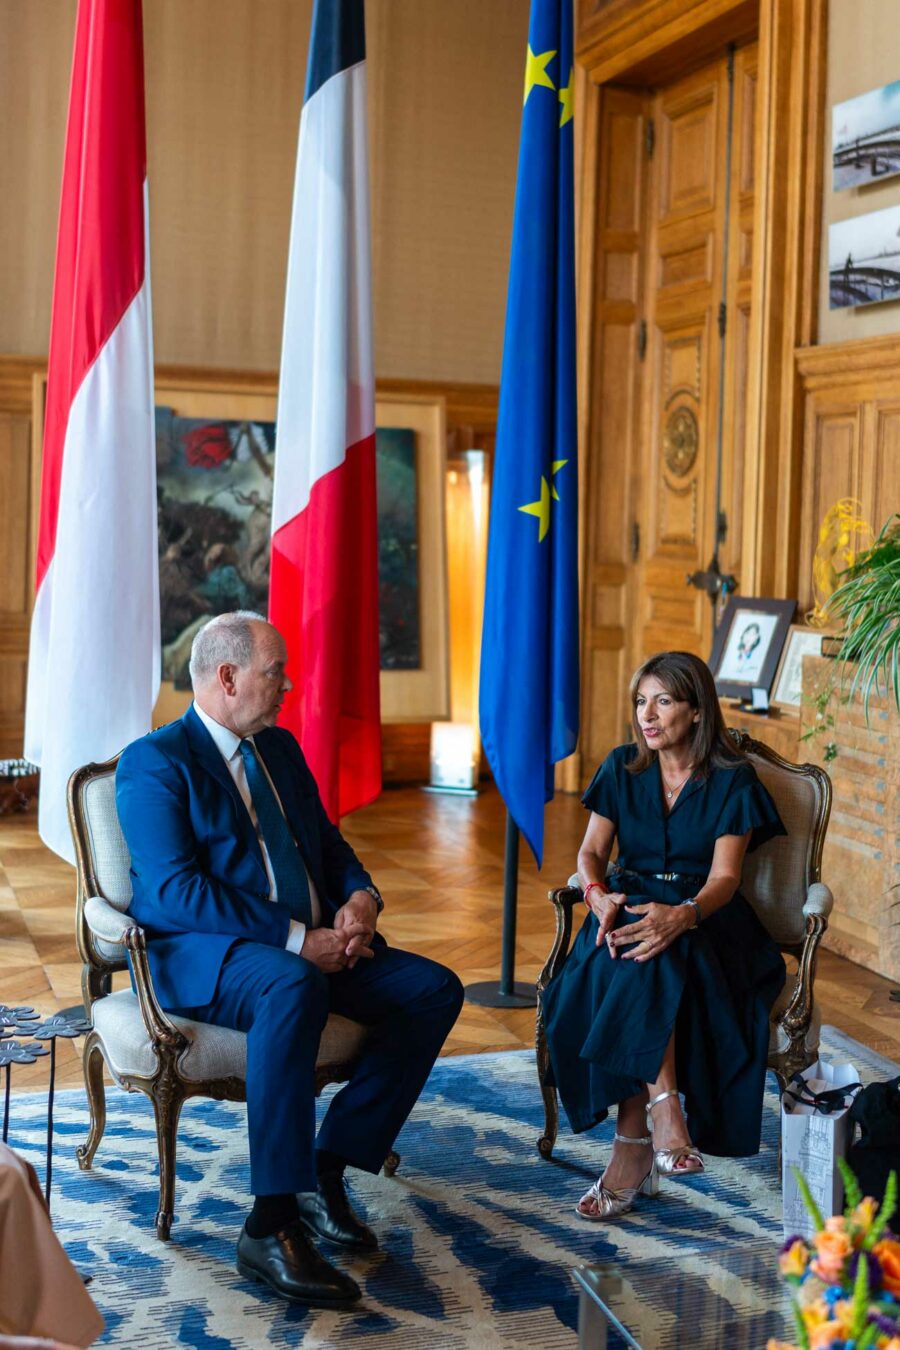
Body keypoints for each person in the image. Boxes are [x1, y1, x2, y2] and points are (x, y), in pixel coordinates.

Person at [116, 611, 464, 1306]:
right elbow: (179, 891)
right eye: (276, 673)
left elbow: (326, 845)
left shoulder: (277, 748)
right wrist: (297, 939)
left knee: (433, 989)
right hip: (207, 957)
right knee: (293, 983)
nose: (288, 686)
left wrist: (361, 897)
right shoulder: (155, 762)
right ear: (227, 677)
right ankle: (270, 1224)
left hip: (313, 945)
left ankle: (325, 1167)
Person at [541, 650, 786, 1222]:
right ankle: (663, 1116)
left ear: (697, 711)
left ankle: (637, 1143)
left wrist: (681, 916)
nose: (646, 715)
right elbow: (591, 852)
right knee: (639, 949)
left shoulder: (734, 780)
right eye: (640, 701)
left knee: (651, 952)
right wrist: (596, 895)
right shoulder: (622, 767)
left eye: (664, 701)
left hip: (707, 920)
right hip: (625, 907)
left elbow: (725, 879)